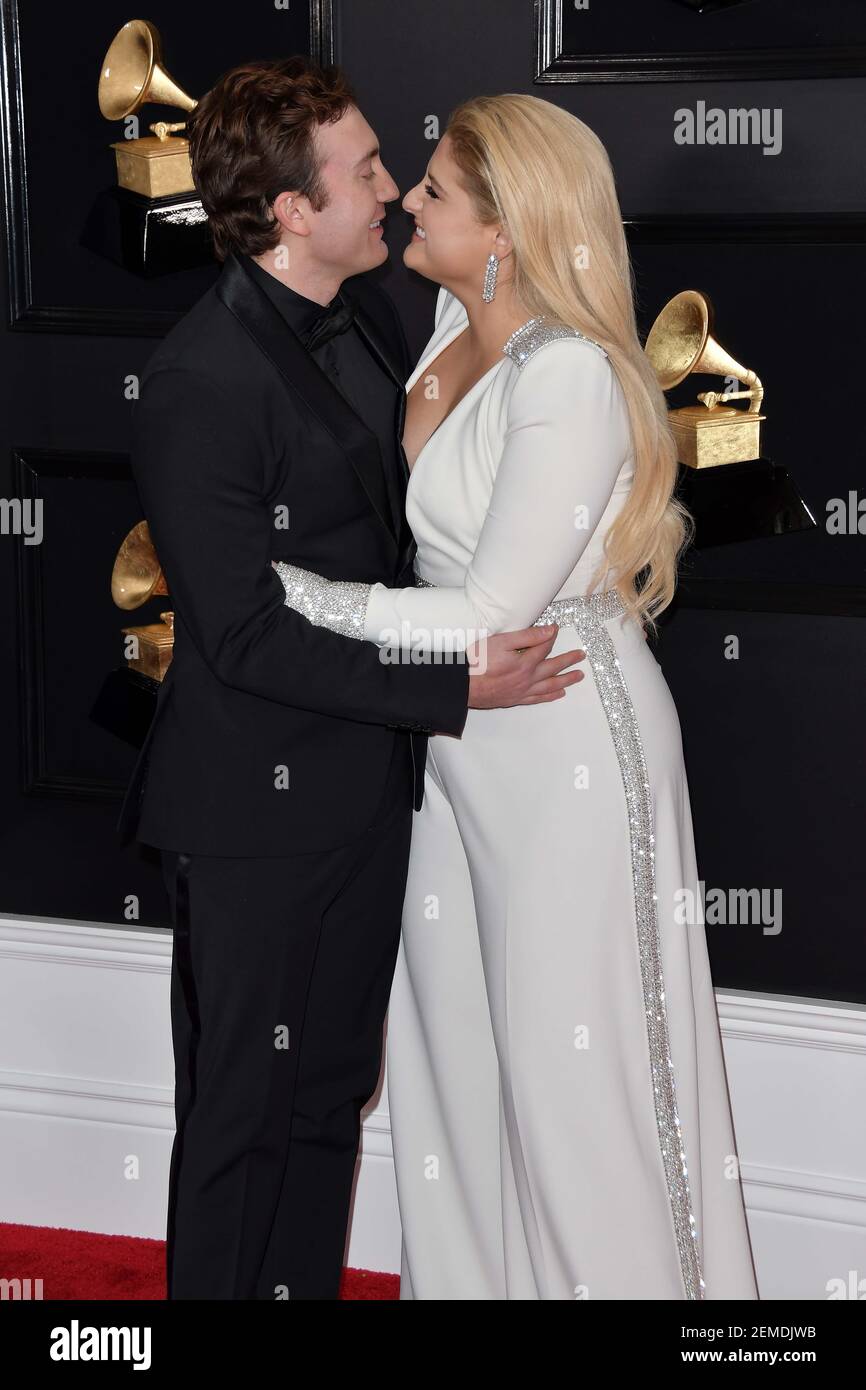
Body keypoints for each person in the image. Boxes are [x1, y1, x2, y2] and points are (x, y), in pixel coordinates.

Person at [271, 93, 761, 1300]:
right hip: (451, 743)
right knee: (452, 1062)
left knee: (572, 1073)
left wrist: (301, 599)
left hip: (560, 739)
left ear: (506, 228)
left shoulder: (576, 380)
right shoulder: (439, 323)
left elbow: (492, 612)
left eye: (431, 188)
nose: (403, 200)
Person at [116, 60, 585, 1301]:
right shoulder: (197, 381)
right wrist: (454, 690)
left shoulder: (373, 323)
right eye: (365, 171)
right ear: (285, 211)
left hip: (364, 798)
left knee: (326, 1100)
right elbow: (243, 637)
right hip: (249, 817)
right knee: (238, 1118)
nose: (391, 189)